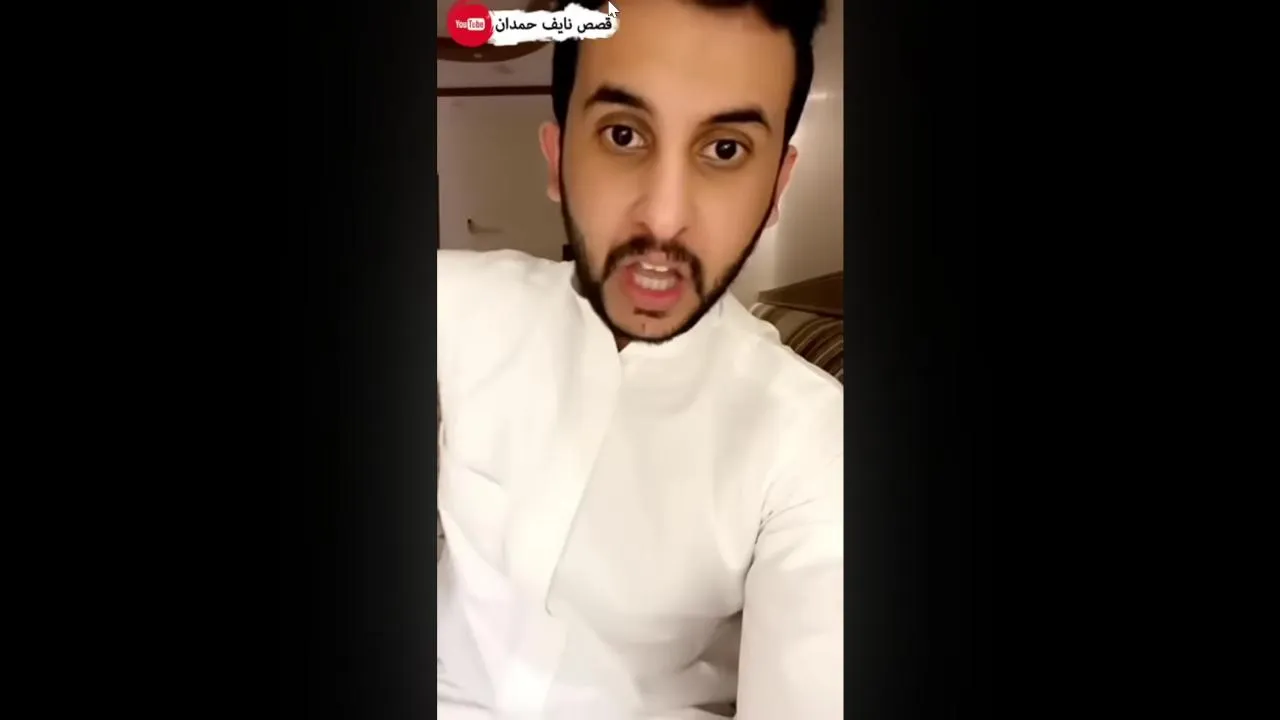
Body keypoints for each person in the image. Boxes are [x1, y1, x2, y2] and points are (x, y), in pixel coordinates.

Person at [436, 0, 841, 717]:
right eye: (623, 134)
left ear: (778, 187)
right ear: (558, 159)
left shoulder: (813, 441)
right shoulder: (460, 305)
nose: (663, 217)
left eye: (725, 150)